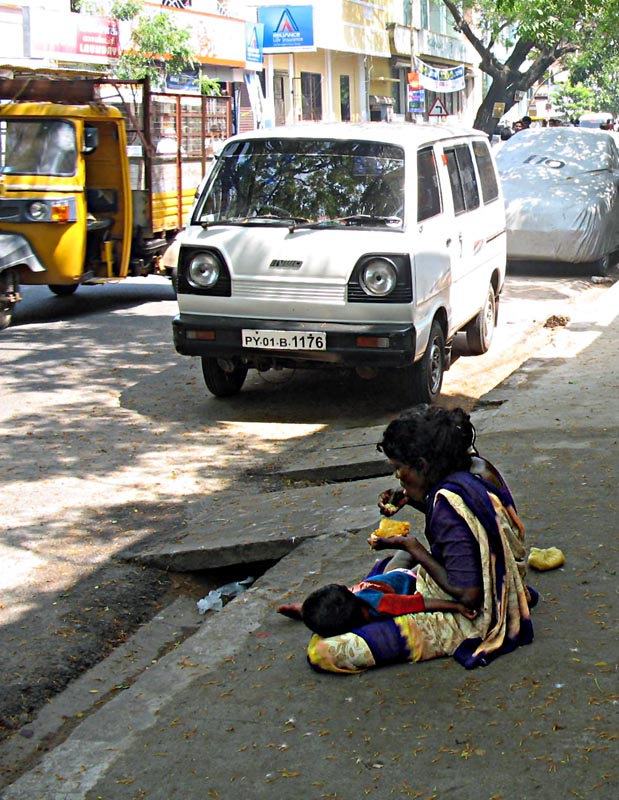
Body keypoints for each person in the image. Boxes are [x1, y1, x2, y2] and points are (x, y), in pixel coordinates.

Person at [305, 405, 536, 674]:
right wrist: (415, 500)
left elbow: (469, 596)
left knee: (324, 651)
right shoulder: (477, 467)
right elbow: (468, 528)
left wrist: (413, 547)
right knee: (375, 589)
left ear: (423, 466)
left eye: (399, 468)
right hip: (496, 582)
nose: (397, 476)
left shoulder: (448, 505)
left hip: (476, 617)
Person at [278, 554, 477, 638]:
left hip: (398, 577)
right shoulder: (381, 605)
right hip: (402, 579)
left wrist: (456, 606)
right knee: (425, 564)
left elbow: (421, 603)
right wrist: (456, 605)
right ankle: (302, 609)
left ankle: (301, 609)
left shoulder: (382, 603)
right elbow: (420, 603)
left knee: (412, 555)